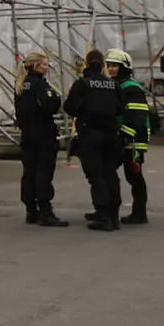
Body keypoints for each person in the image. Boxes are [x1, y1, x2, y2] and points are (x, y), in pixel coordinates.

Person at [64, 46, 125, 231]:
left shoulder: (83, 84)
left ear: (86, 63)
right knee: (110, 174)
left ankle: (103, 215)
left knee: (96, 175)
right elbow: (120, 108)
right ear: (103, 65)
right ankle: (113, 216)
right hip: (111, 135)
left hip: (90, 135)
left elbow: (69, 108)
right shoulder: (112, 84)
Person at [15, 52, 68, 226]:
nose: (47, 67)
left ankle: (31, 210)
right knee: (44, 173)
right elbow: (51, 105)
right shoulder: (40, 86)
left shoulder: (21, 86)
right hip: (43, 135)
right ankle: (45, 211)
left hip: (27, 135)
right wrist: (57, 99)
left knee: (29, 173)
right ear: (37, 66)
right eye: (45, 64)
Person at [112, 49, 152, 225]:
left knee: (134, 176)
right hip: (120, 137)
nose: (111, 69)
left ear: (124, 67)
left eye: (115, 66)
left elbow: (137, 115)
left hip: (134, 140)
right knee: (108, 174)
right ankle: (107, 210)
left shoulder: (132, 88)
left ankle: (140, 213)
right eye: (109, 65)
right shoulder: (116, 85)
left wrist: (126, 135)